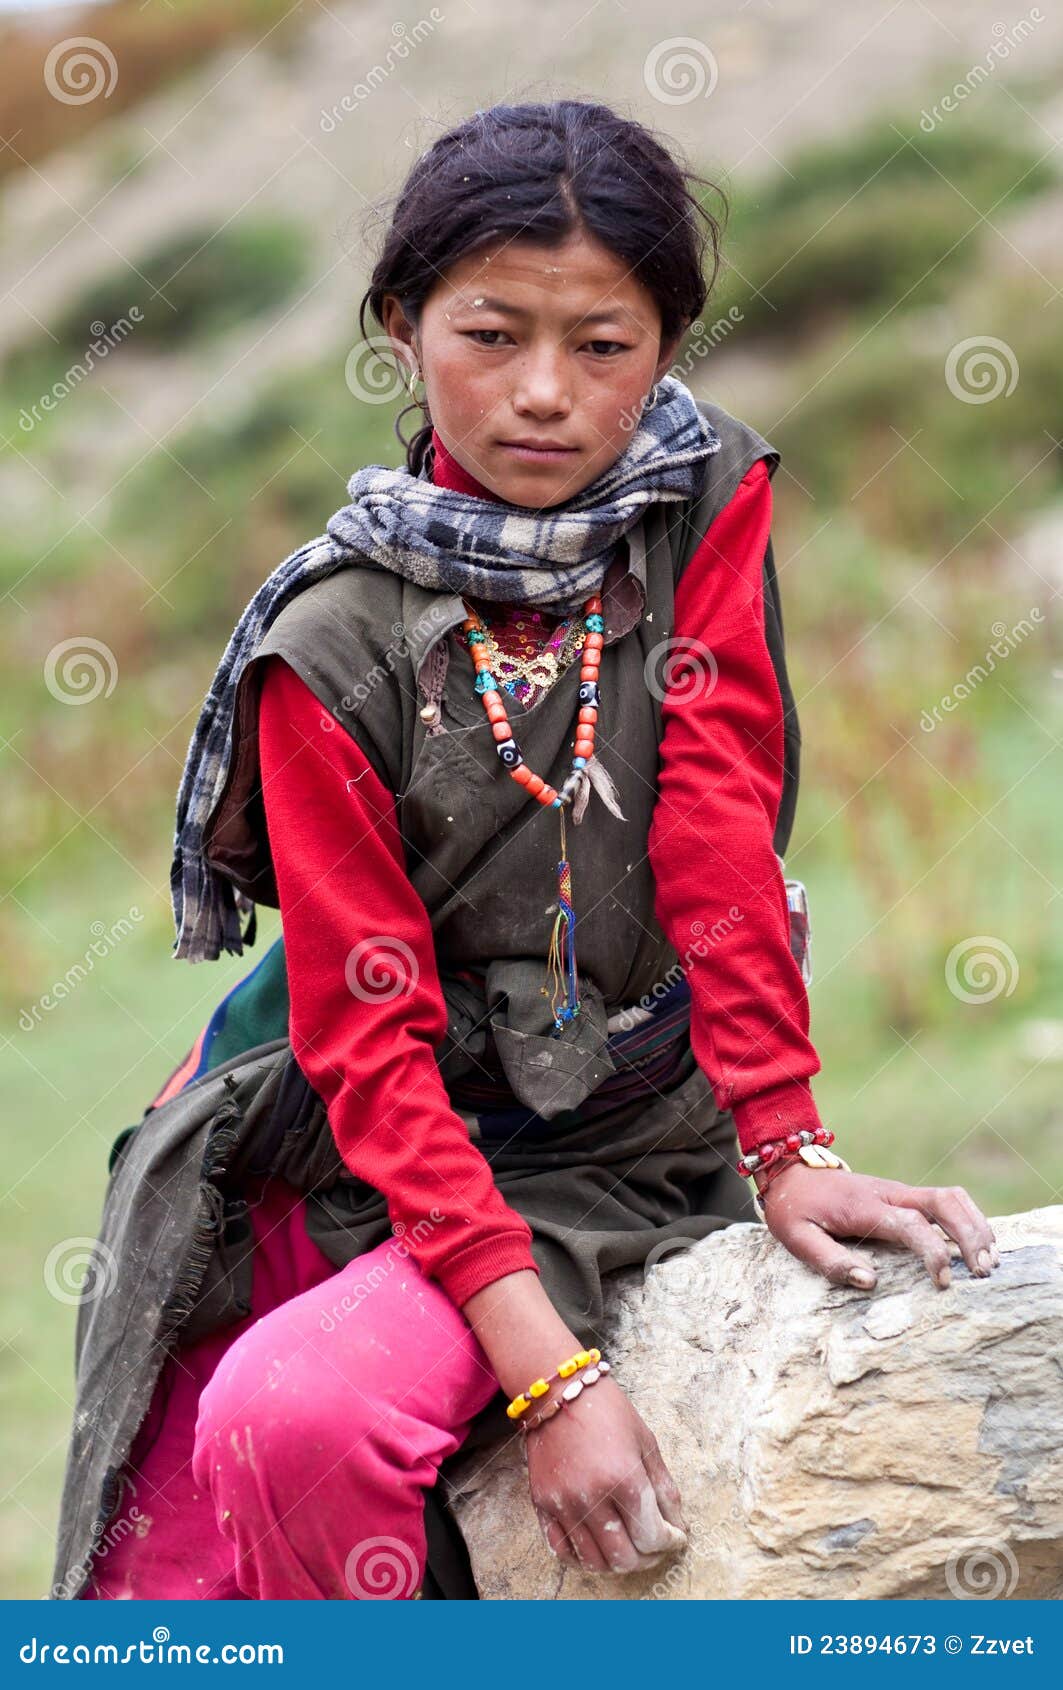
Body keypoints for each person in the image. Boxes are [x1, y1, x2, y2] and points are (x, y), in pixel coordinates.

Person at [54, 97, 999, 1603]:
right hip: (406, 1154)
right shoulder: (328, 645)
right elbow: (368, 1041)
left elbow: (713, 829)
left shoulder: (700, 507)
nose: (545, 394)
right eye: (490, 334)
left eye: (604, 345)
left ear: (669, 349)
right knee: (282, 1421)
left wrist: (788, 1142)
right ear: (400, 325)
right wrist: (553, 1382)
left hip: (650, 1119)